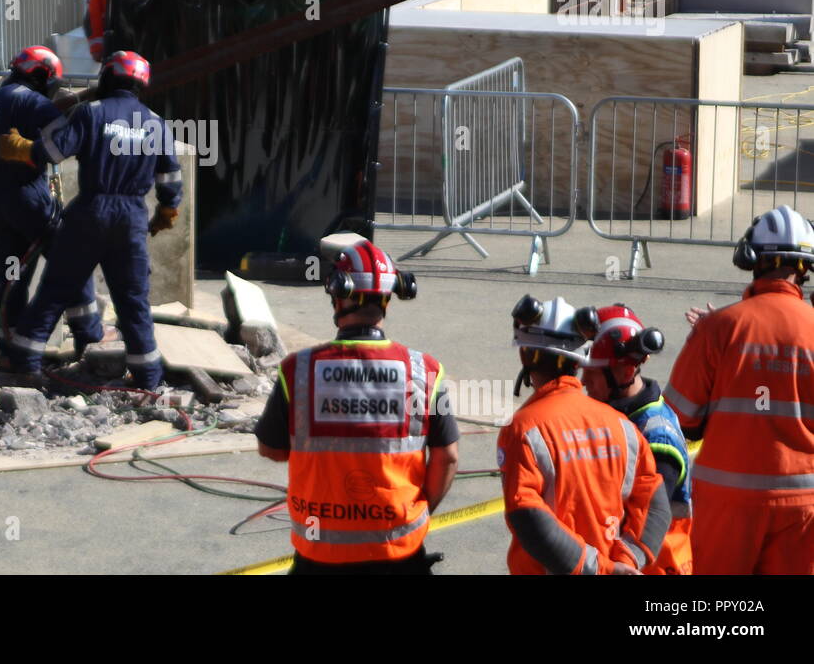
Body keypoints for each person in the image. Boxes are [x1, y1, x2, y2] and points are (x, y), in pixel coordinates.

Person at [255, 239, 459, 575]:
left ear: (338, 293)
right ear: (388, 299)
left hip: (319, 551)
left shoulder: (298, 370)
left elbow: (271, 449)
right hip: (398, 551)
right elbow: (447, 457)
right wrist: (415, 513)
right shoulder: (424, 370)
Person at [0, 51, 181, 389]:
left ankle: (26, 365)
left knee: (56, 289)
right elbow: (170, 180)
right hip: (132, 219)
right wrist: (166, 211)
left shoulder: (91, 113)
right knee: (133, 300)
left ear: (108, 77)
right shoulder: (156, 122)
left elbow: (51, 153)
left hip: (91, 213)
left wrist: (22, 147)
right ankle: (148, 380)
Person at [665, 205, 814, 575]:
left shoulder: (718, 329)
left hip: (727, 501)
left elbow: (680, 420)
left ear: (751, 259)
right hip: (804, 504)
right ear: (806, 268)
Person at [499, 295, 670, 575]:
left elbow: (527, 516)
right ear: (579, 361)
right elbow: (655, 503)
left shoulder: (524, 429)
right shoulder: (622, 425)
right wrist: (625, 562)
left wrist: (600, 570)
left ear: (525, 354)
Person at [0, 46, 101, 361]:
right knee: (70, 259)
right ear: (40, 74)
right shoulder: (31, 101)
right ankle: (89, 337)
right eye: (51, 82)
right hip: (30, 198)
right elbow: (61, 142)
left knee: (13, 274)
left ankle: (9, 346)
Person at [577, 304, 694, 574]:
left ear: (625, 372)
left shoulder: (656, 436)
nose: (584, 380)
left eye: (593, 372)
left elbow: (648, 518)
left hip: (653, 565)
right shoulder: (617, 416)